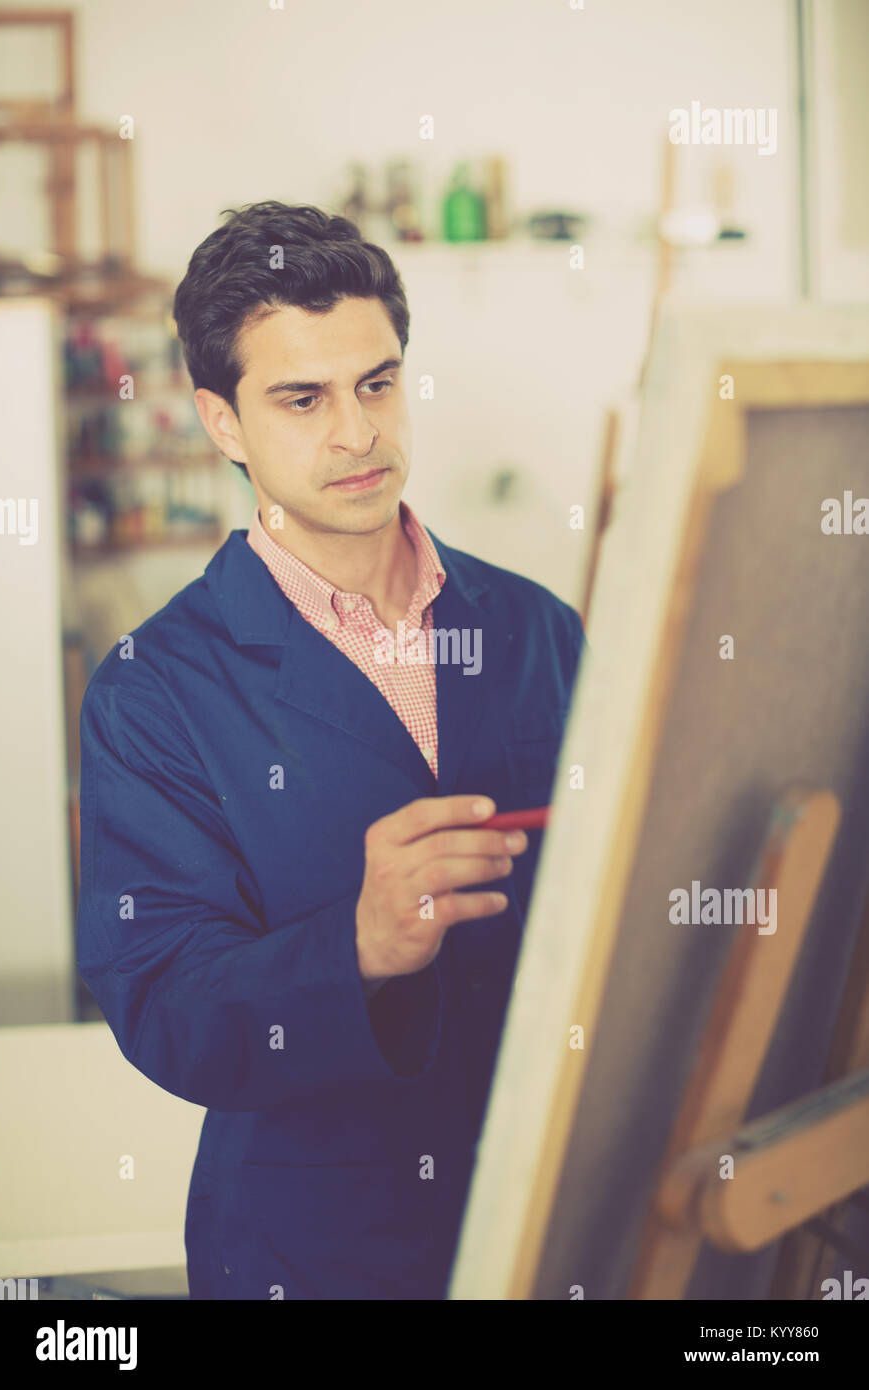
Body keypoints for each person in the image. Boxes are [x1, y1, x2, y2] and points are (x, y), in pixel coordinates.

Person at [76, 201, 584, 1300]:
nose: (356, 432)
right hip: (318, 1247)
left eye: (377, 382)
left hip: (559, 1215)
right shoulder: (153, 690)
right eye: (301, 399)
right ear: (220, 421)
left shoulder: (537, 627)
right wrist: (352, 943)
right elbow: (161, 996)